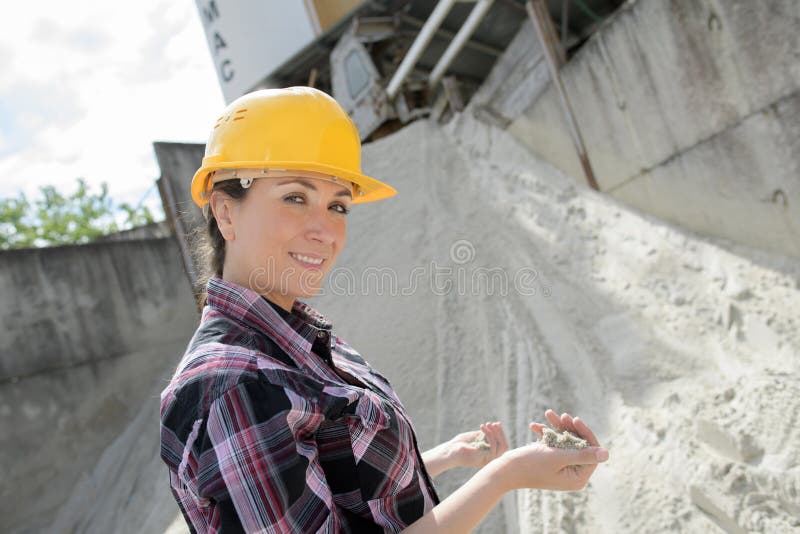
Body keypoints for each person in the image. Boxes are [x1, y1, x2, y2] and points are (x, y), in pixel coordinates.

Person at [159, 86, 608, 533]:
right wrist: (504, 477)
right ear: (225, 212)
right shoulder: (233, 386)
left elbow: (344, 498)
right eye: (295, 197)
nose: (325, 230)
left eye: (337, 206)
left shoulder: (293, 340)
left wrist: (446, 457)